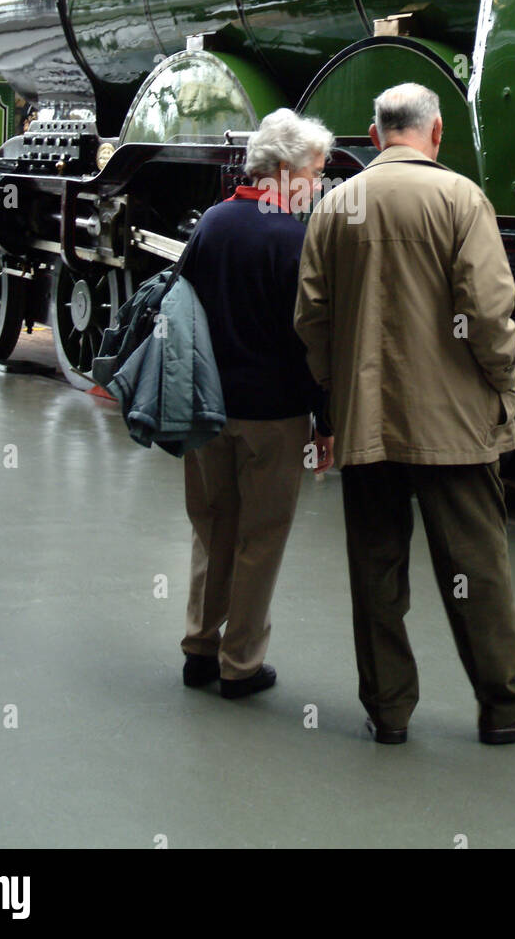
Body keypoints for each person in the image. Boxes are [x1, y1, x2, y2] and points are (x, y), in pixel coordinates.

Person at [295, 83, 515, 745]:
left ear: (374, 134)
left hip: (366, 421)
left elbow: (311, 317)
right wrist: (503, 388)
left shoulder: (336, 206)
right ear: (437, 132)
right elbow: (488, 312)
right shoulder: (460, 199)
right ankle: (505, 707)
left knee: (376, 568)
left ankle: (388, 711)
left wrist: (338, 390)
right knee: (476, 566)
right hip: (453, 422)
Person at [179, 108, 335, 699]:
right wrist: (325, 421)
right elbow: (312, 340)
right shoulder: (295, 240)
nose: (317, 185)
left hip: (207, 409)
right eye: (315, 173)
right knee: (260, 538)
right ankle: (240, 665)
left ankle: (200, 648)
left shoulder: (212, 223)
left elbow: (179, 308)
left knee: (212, 527)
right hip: (273, 417)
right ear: (286, 170)